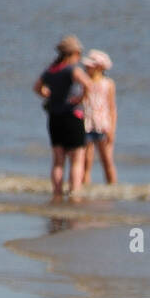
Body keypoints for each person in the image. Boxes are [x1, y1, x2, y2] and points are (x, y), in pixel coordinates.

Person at [34, 36, 94, 201]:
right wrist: (81, 99)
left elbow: (37, 87)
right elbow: (88, 85)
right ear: (73, 53)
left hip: (54, 117)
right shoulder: (72, 69)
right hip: (72, 116)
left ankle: (57, 194)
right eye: (79, 54)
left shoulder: (50, 70)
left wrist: (49, 95)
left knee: (58, 160)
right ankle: (75, 194)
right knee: (77, 159)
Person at [80, 49, 117, 186]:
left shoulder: (108, 84)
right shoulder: (84, 81)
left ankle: (112, 188)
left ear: (100, 67)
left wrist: (112, 129)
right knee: (85, 160)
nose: (86, 68)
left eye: (90, 66)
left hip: (102, 125)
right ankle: (84, 187)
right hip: (86, 123)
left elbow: (112, 108)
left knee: (107, 159)